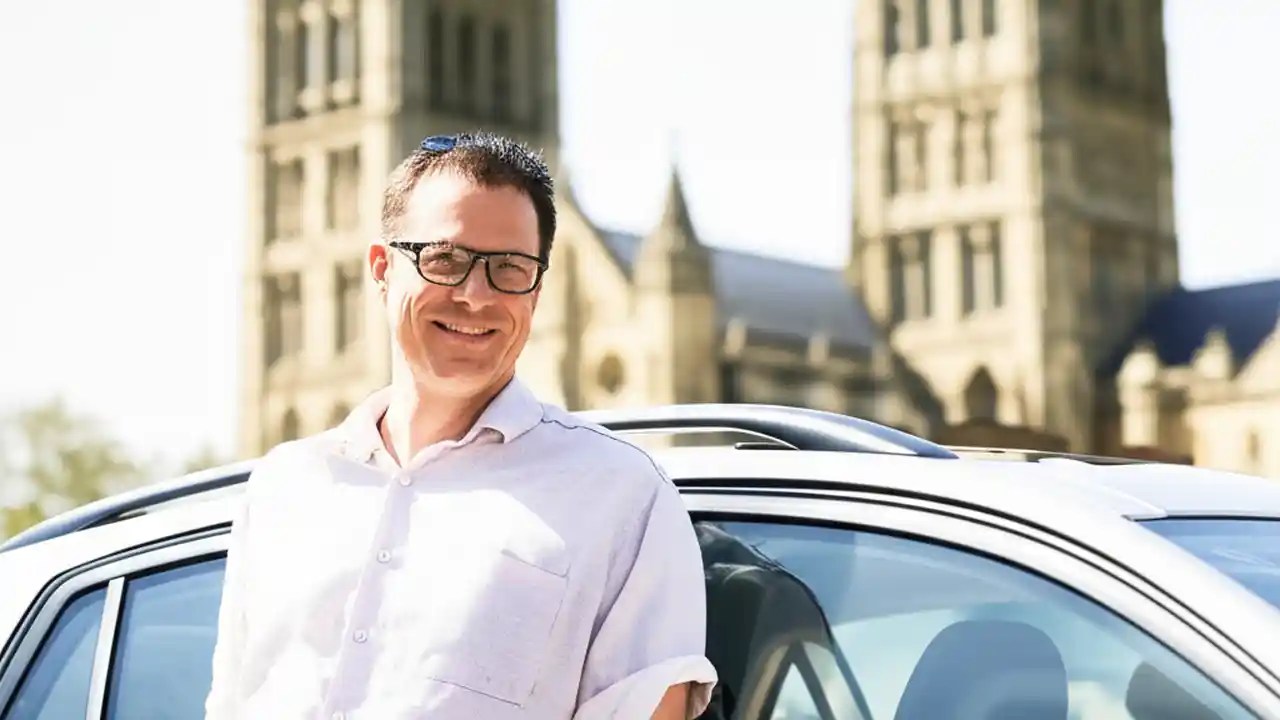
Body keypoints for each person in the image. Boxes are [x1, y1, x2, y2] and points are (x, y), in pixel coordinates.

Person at [205, 132, 717, 719]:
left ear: (538, 290)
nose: (476, 295)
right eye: (444, 260)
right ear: (381, 268)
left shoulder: (622, 496)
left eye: (509, 268)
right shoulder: (282, 490)